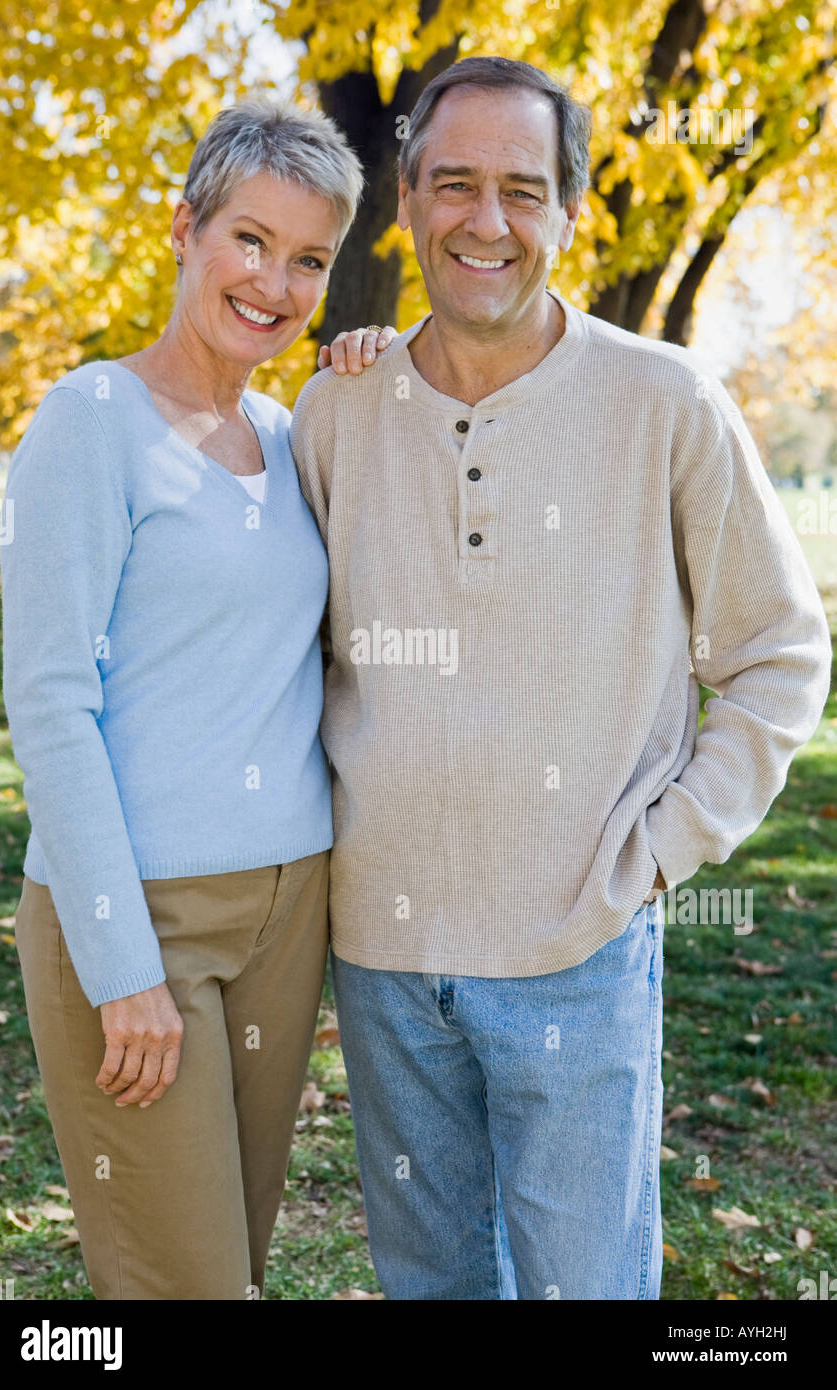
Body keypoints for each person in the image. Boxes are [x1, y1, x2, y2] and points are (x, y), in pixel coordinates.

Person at [290, 55, 833, 1300]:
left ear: (569, 212)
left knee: (588, 1285)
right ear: (408, 202)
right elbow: (292, 649)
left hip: (577, 943)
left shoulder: (664, 402)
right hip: (382, 949)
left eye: (522, 190)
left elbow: (778, 650)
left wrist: (661, 848)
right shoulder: (337, 412)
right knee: (431, 1282)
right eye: (455, 184)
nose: (487, 221)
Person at [0, 96, 393, 1300]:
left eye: (310, 259)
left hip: (288, 911)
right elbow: (51, 702)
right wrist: (122, 966)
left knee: (233, 1261)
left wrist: (379, 376)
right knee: (186, 1288)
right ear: (184, 229)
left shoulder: (292, 431)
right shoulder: (89, 422)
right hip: (137, 915)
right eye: (249, 240)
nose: (275, 283)